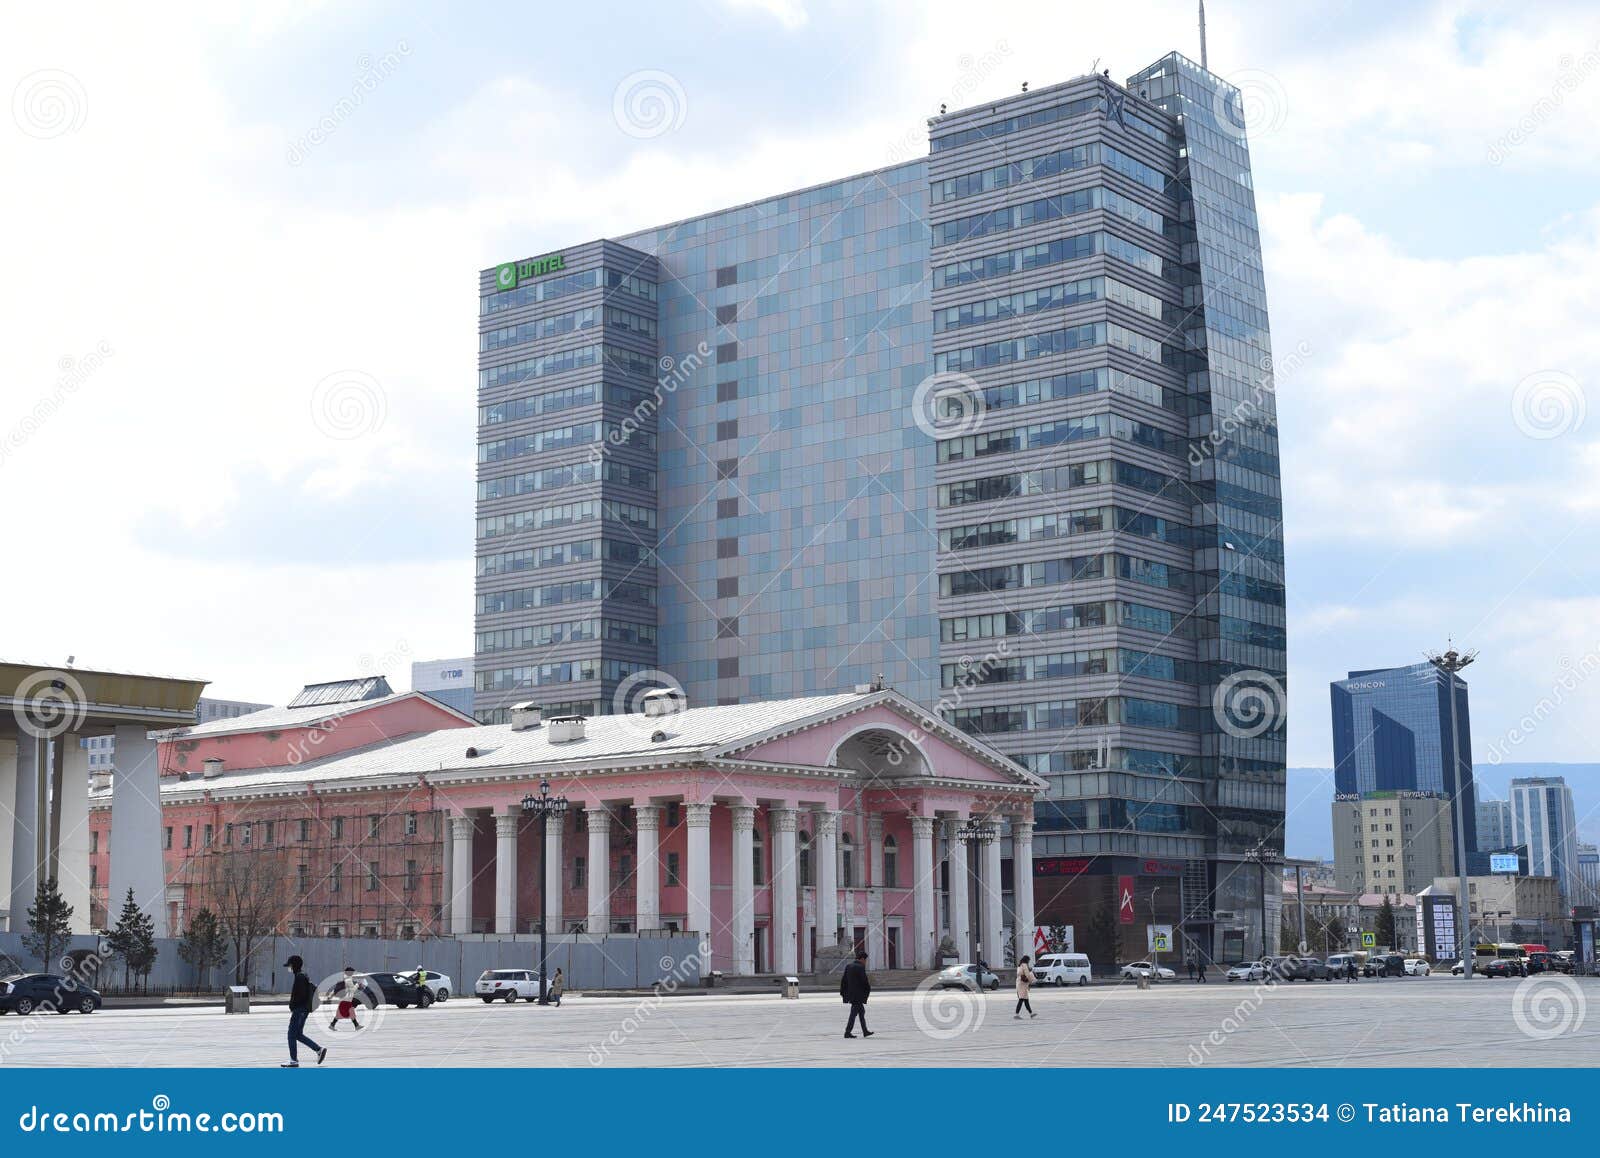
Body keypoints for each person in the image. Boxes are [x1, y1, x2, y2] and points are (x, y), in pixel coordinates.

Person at [282, 955, 327, 1068]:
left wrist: (293, 1006)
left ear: (294, 965)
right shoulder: (302, 976)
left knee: (291, 1034)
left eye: (290, 965)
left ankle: (293, 1060)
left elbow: (301, 995)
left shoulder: (300, 977)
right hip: (303, 1010)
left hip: (299, 1010)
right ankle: (318, 1050)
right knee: (297, 1034)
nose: (289, 968)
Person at [840, 949, 873, 1038]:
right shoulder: (860, 967)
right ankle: (847, 1032)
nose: (865, 962)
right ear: (862, 959)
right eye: (865, 960)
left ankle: (865, 1031)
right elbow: (864, 981)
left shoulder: (849, 966)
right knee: (853, 1013)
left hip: (851, 994)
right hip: (858, 995)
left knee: (861, 1011)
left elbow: (844, 981)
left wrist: (843, 992)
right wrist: (867, 990)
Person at [329, 966, 363, 1031]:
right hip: (347, 999)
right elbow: (352, 990)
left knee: (341, 1013)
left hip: (344, 999)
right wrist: (357, 985)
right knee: (350, 1012)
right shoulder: (349, 980)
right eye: (352, 972)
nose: (353, 973)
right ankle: (356, 1026)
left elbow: (335, 989)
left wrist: (330, 995)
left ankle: (332, 1025)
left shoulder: (345, 979)